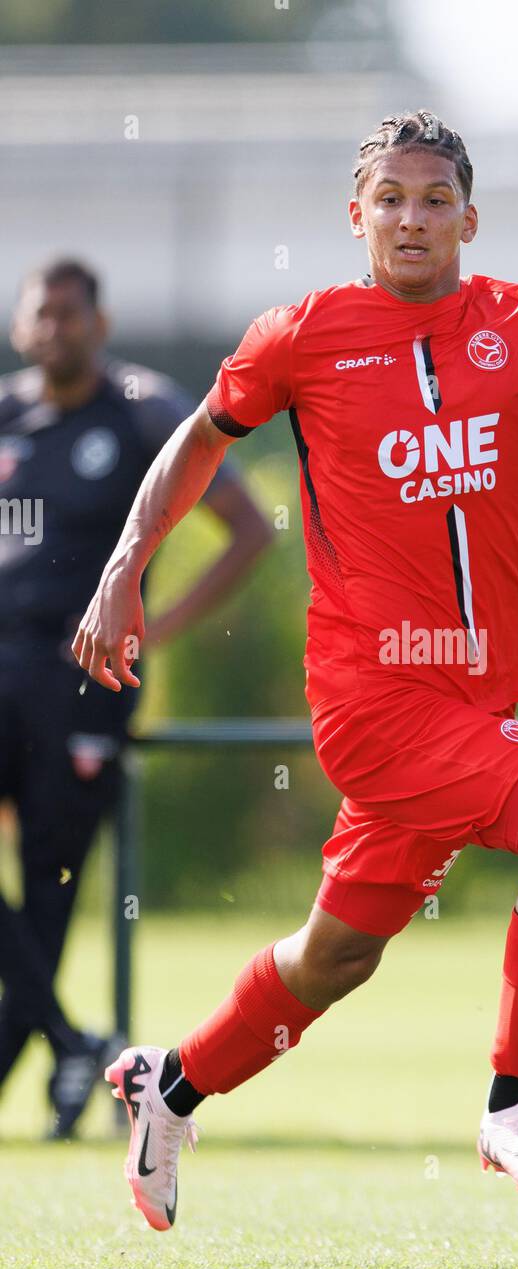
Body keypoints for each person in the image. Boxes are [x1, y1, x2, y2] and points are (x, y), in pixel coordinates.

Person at [73, 110, 518, 1230]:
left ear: (469, 217)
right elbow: (201, 435)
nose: (412, 218)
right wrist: (125, 564)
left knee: (337, 953)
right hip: (373, 697)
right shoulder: (302, 335)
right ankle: (515, 1098)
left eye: (435, 199)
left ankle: (168, 1087)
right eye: (390, 199)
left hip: (475, 700)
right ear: (356, 215)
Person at [0, 257, 274, 1139]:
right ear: (20, 327)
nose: (55, 329)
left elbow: (248, 529)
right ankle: (74, 1038)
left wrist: (157, 629)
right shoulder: (6, 416)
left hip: (82, 686)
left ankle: (64, 1048)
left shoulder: (142, 408)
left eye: (71, 314)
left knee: (49, 887)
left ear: (98, 323)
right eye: (41, 315)